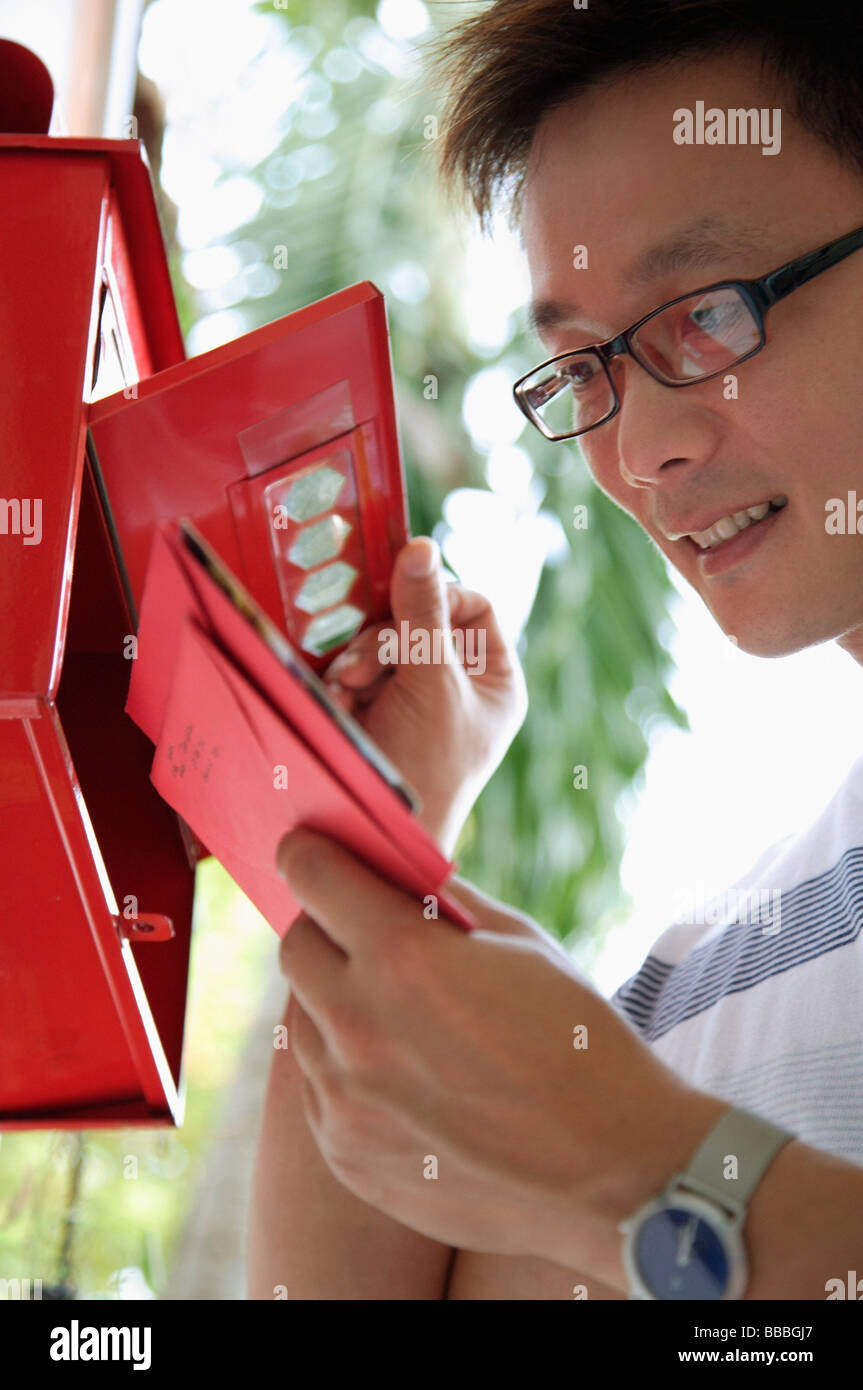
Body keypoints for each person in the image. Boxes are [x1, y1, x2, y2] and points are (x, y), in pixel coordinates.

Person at [247, 0, 863, 1300]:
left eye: (703, 315)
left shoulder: (619, 1099)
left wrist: (646, 1176)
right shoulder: (682, 988)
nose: (638, 456)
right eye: (585, 371)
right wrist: (384, 828)